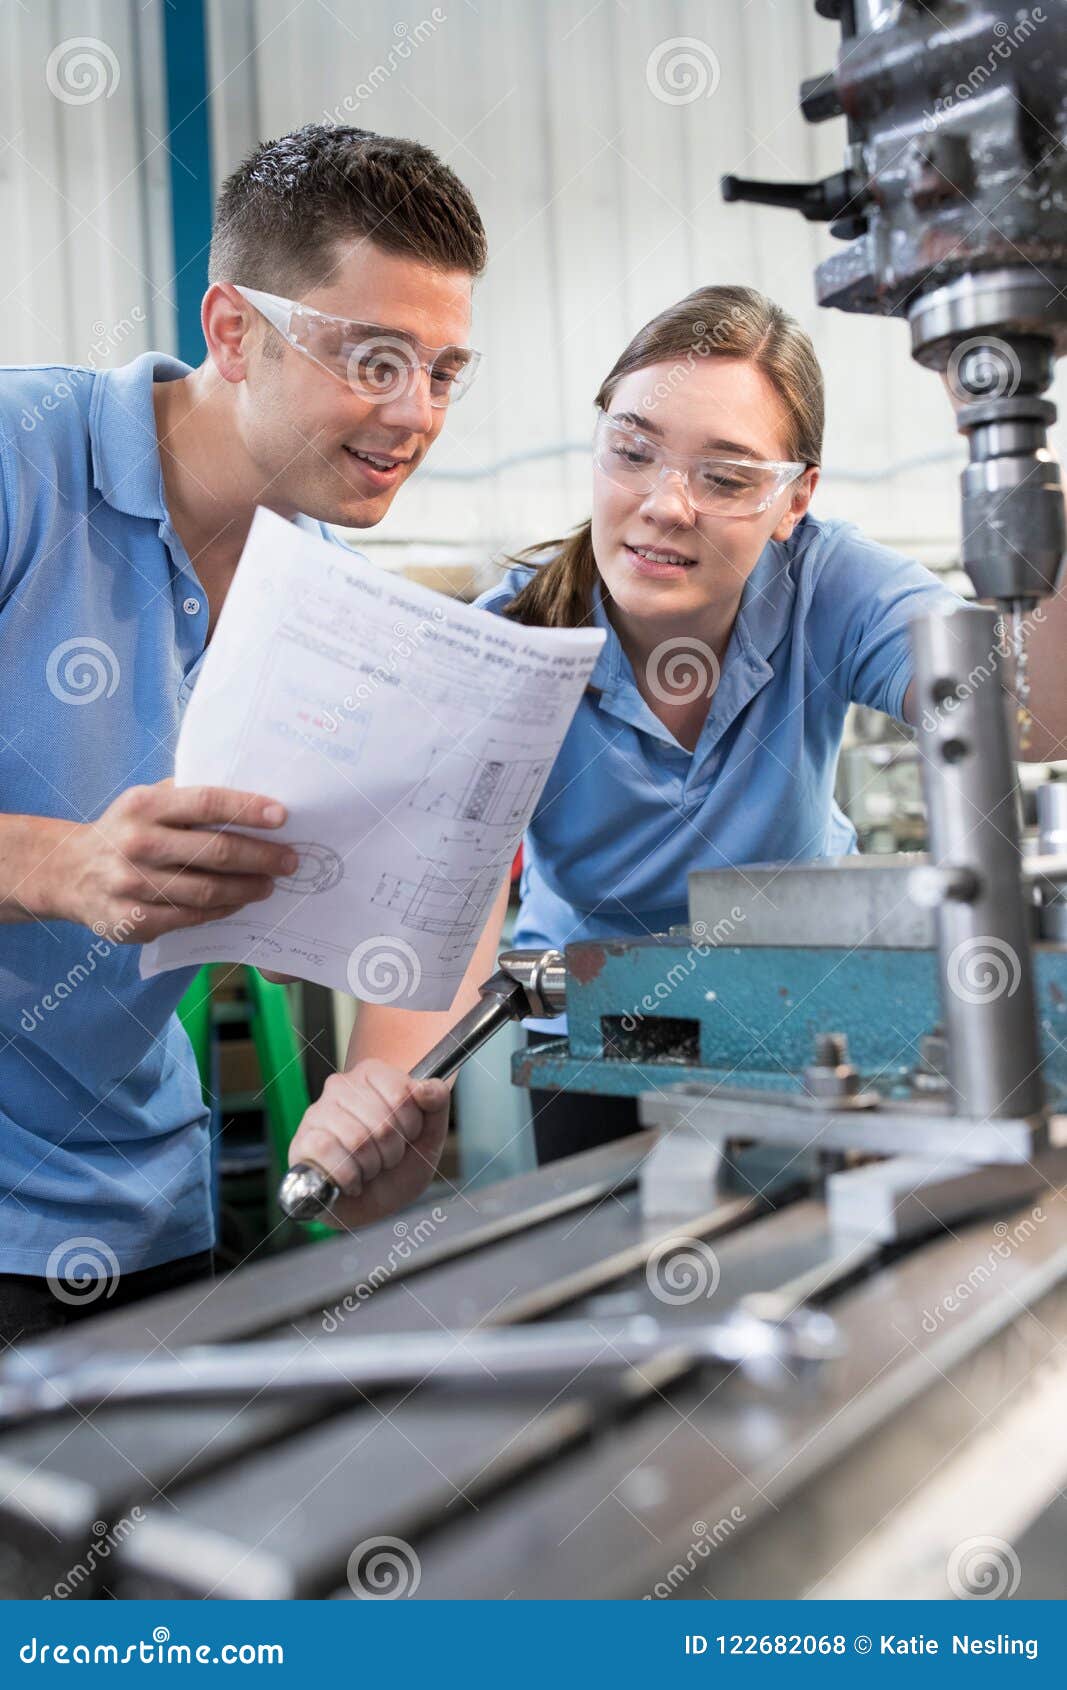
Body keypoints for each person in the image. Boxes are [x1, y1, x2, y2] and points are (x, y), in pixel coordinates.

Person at [289, 283, 1067, 1211]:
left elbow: (1029, 719)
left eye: (727, 477)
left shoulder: (829, 583)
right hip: (610, 1027)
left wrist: (1013, 452)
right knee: (621, 1270)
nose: (665, 504)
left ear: (794, 501)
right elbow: (442, 920)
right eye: (633, 451)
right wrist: (385, 1113)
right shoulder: (513, 641)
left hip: (805, 1007)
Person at [0, 123, 485, 1343]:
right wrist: (62, 866)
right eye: (373, 359)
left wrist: (384, 1085)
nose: (412, 414)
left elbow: (424, 880)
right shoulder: (22, 464)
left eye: (442, 371)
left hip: (143, 1210)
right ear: (233, 330)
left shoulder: (322, 594)